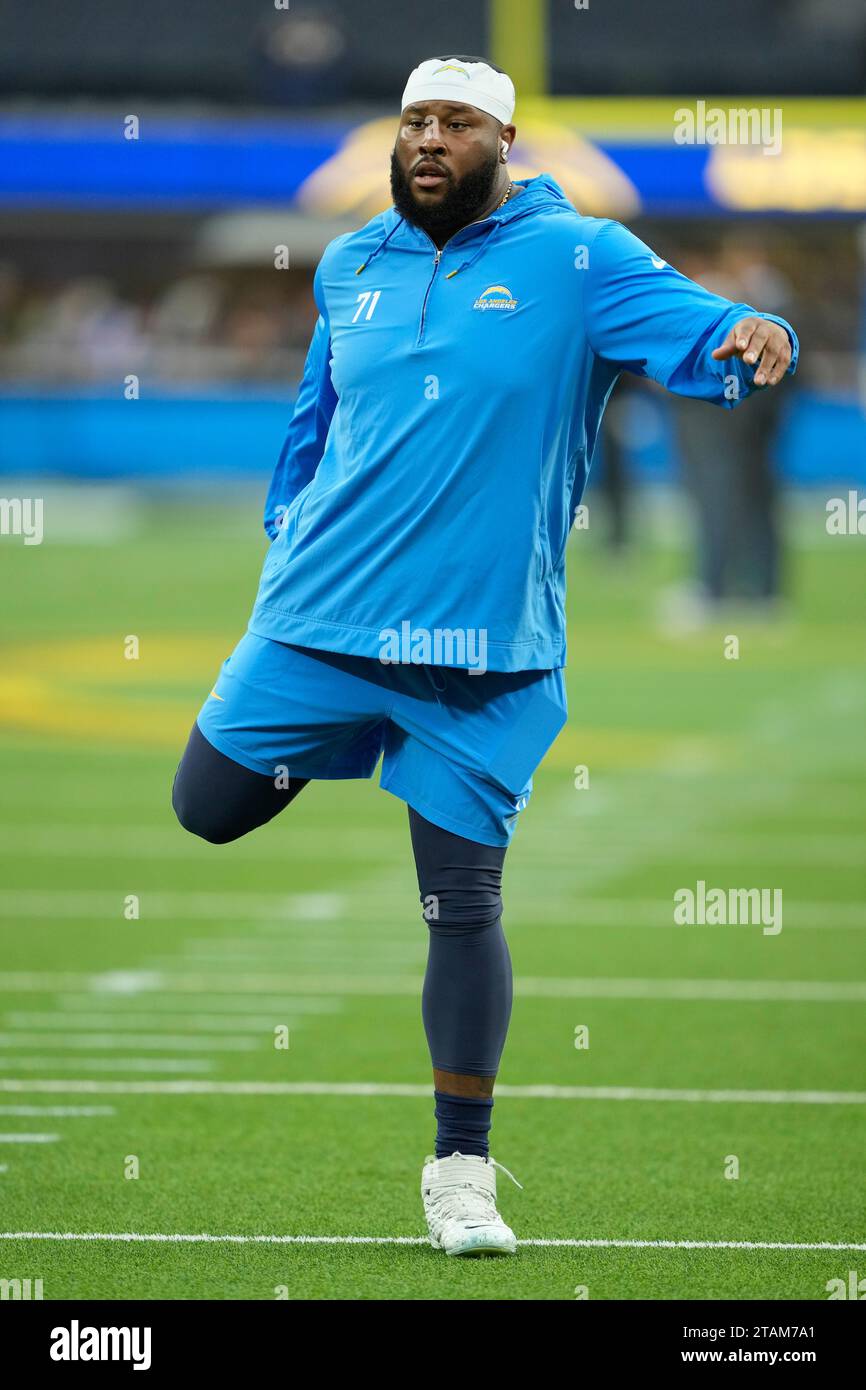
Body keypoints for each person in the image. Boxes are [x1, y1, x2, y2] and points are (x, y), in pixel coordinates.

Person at [172, 55, 798, 1257]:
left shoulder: (582, 258)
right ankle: (368, 736)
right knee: (206, 807)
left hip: (484, 649)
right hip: (319, 621)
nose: (426, 139)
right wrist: (285, 538)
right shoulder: (350, 262)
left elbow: (698, 327)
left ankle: (461, 1171)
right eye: (413, 121)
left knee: (459, 902)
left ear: (504, 141)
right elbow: (314, 425)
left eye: (455, 123)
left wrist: (744, 332)